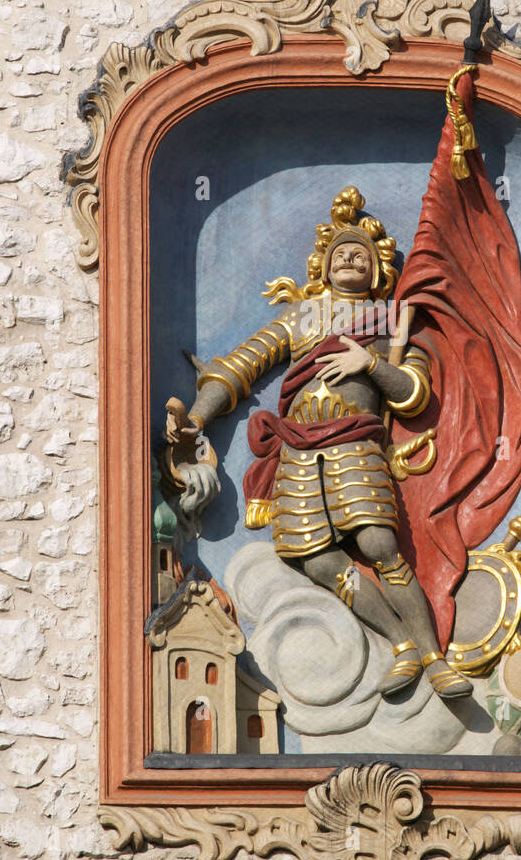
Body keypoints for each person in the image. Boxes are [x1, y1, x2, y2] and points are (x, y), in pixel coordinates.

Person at [166, 187, 473, 702]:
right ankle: (401, 645)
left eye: (362, 254)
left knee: (379, 547)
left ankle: (435, 657)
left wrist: (370, 364)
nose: (351, 258)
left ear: (377, 272)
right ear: (323, 268)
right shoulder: (301, 319)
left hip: (355, 443)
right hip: (299, 452)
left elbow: (416, 394)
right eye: (342, 253)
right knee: (315, 560)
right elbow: (240, 366)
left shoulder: (390, 323)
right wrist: (197, 419)